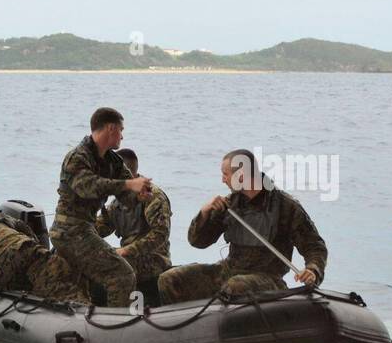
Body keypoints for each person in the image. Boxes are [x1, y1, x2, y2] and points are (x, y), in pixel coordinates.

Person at [157, 149, 328, 304]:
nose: (222, 180)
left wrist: (312, 270)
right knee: (170, 279)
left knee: (235, 286)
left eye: (225, 174)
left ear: (241, 175)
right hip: (229, 270)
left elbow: (314, 247)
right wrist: (204, 214)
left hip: (268, 278)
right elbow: (198, 242)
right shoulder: (231, 204)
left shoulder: (285, 207)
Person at [54, 108, 154, 306]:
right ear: (111, 128)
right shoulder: (77, 157)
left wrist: (139, 195)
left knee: (81, 285)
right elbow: (88, 187)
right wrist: (128, 185)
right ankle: (119, 329)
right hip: (69, 231)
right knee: (122, 275)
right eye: (121, 130)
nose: (122, 136)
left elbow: (127, 198)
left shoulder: (113, 161)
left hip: (84, 230)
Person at [0, 196, 88, 303]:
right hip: (26, 249)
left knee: (21, 289)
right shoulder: (2, 217)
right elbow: (27, 230)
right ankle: (85, 309)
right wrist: (37, 247)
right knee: (62, 283)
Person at [93, 148, 171, 305]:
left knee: (109, 265)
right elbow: (101, 227)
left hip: (154, 259)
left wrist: (126, 250)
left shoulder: (152, 196)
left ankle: (117, 312)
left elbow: (160, 235)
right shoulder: (117, 201)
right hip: (128, 257)